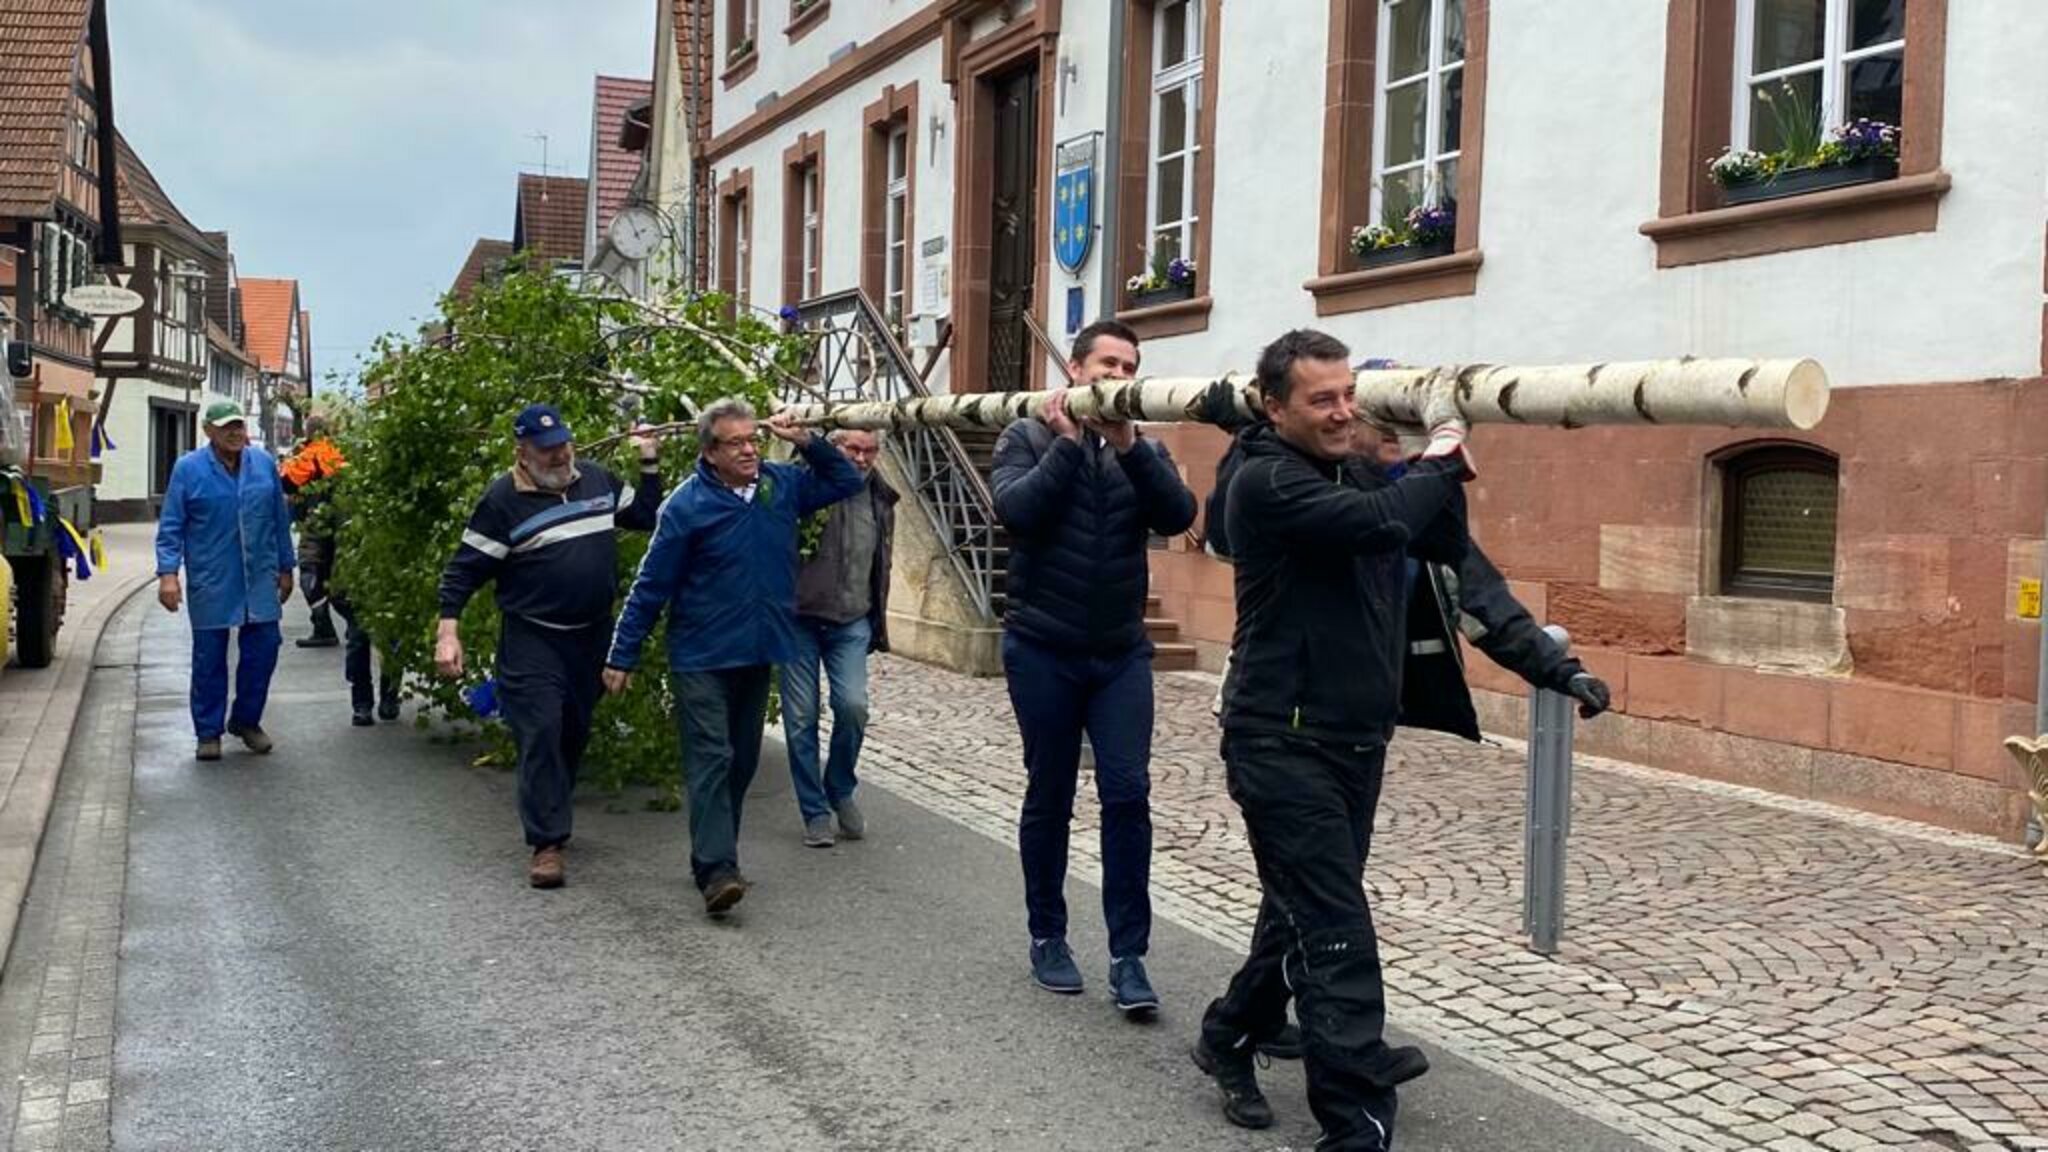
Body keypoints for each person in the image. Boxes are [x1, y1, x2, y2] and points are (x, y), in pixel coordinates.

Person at [1192, 329, 1477, 1150]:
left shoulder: (1345, 463)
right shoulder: (1268, 481)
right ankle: (1354, 1128)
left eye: (1348, 394)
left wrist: (1424, 452)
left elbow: (1433, 533)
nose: (1343, 411)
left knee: (1299, 912)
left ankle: (1228, 1034)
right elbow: (1387, 522)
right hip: (1278, 741)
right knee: (1337, 934)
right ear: (1275, 407)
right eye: (1322, 400)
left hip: (1354, 736)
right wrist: (1445, 447)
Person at [990, 319, 1196, 1017]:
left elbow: (1178, 514)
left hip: (1119, 654)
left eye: (1130, 367)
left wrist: (1131, 447)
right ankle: (1048, 934)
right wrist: (1073, 447)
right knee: (1049, 791)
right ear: (1076, 372)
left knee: (1128, 794)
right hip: (1042, 646)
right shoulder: (1028, 435)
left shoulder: (1147, 445)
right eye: (1108, 363)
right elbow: (1017, 513)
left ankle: (1128, 954)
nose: (1119, 377)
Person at [603, 398, 863, 917]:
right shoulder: (686, 505)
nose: (749, 449)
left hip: (759, 648)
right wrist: (622, 655)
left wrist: (807, 441)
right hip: (701, 653)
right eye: (735, 443)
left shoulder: (778, 484)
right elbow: (651, 586)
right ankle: (716, 869)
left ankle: (718, 854)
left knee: (741, 760)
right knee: (712, 756)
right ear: (710, 451)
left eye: (752, 439)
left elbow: (845, 481)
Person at [435, 404, 664, 890]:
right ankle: (547, 843)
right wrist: (447, 631)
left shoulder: (598, 481)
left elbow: (645, 517)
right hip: (532, 637)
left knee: (573, 731)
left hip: (591, 634)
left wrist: (648, 462)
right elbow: (463, 571)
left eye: (564, 442)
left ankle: (553, 810)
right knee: (541, 728)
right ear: (522, 451)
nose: (560, 453)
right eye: (547, 448)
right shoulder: (501, 501)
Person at [154, 400, 297, 761]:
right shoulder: (188, 469)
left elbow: (280, 519)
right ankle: (208, 732)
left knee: (264, 649)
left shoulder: (263, 463)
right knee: (209, 658)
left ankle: (246, 721)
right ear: (208, 431)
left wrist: (286, 566)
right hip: (212, 576)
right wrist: (168, 574)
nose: (235, 432)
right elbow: (171, 525)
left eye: (238, 426)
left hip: (259, 575)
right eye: (225, 427)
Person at [782, 427, 898, 847]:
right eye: (853, 449)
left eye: (871, 450)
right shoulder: (806, 485)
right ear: (834, 448)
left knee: (853, 707)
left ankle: (840, 787)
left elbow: (880, 562)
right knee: (800, 719)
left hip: (851, 619)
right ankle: (814, 811)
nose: (863, 459)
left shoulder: (881, 498)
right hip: (798, 619)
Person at [281, 415, 347, 648]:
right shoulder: (341, 451)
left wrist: (294, 456)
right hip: (344, 524)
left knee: (310, 571)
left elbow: (287, 481)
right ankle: (357, 626)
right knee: (336, 577)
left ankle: (323, 627)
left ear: (310, 432)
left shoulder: (313, 453)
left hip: (318, 522)